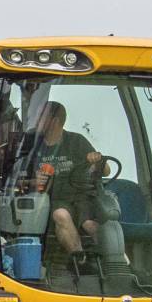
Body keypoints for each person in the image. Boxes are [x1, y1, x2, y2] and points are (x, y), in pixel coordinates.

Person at [27, 100, 107, 254]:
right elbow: (16, 179)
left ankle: (121, 266)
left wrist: (96, 161)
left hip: (83, 197)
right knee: (61, 214)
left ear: (54, 121)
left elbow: (106, 170)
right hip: (52, 200)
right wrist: (34, 182)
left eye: (40, 117)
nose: (36, 121)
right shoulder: (31, 145)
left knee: (92, 224)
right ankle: (79, 260)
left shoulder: (77, 141)